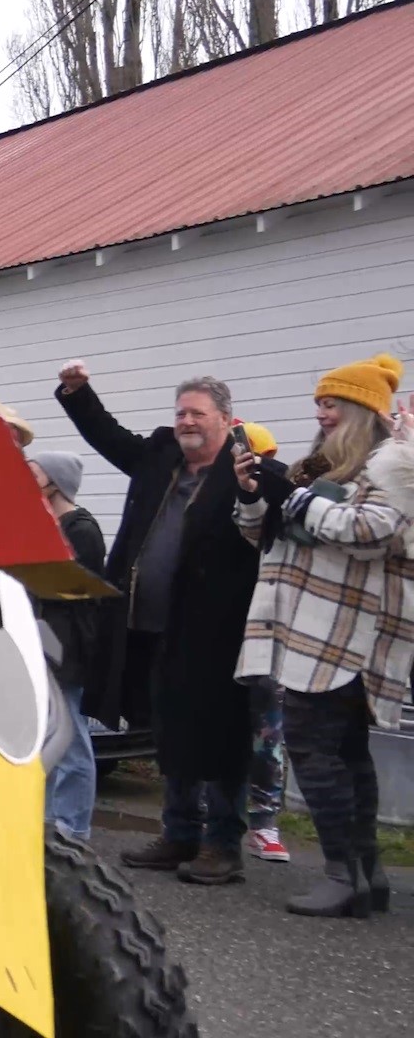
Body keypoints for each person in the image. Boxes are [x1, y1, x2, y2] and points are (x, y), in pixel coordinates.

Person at [56, 360, 277, 886]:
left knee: (221, 738)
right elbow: (108, 437)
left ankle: (222, 844)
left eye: (197, 413)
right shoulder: (159, 457)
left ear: (225, 419)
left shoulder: (251, 473)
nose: (185, 421)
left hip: (218, 632)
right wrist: (78, 392)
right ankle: (179, 833)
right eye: (180, 412)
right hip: (150, 628)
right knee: (170, 734)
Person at [233, 357, 409, 918]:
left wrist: (298, 500)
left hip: (344, 631)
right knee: (345, 753)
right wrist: (257, 496)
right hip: (310, 626)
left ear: (362, 411)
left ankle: (344, 874)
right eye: (320, 402)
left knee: (316, 750)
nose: (321, 412)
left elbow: (372, 532)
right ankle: (365, 876)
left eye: (332, 403)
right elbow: (264, 536)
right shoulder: (321, 468)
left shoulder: (386, 466)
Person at [27, 450, 107, 840]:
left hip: (68, 647)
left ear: (56, 481)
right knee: (42, 737)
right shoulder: (43, 524)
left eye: (35, 472)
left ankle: (73, 828)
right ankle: (42, 824)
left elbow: (73, 588)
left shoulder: (81, 529)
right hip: (39, 642)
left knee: (71, 739)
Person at [232, 417, 293, 864]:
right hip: (221, 628)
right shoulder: (221, 494)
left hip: (268, 633)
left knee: (269, 731)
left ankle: (265, 822)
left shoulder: (283, 499)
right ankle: (214, 809)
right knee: (223, 723)